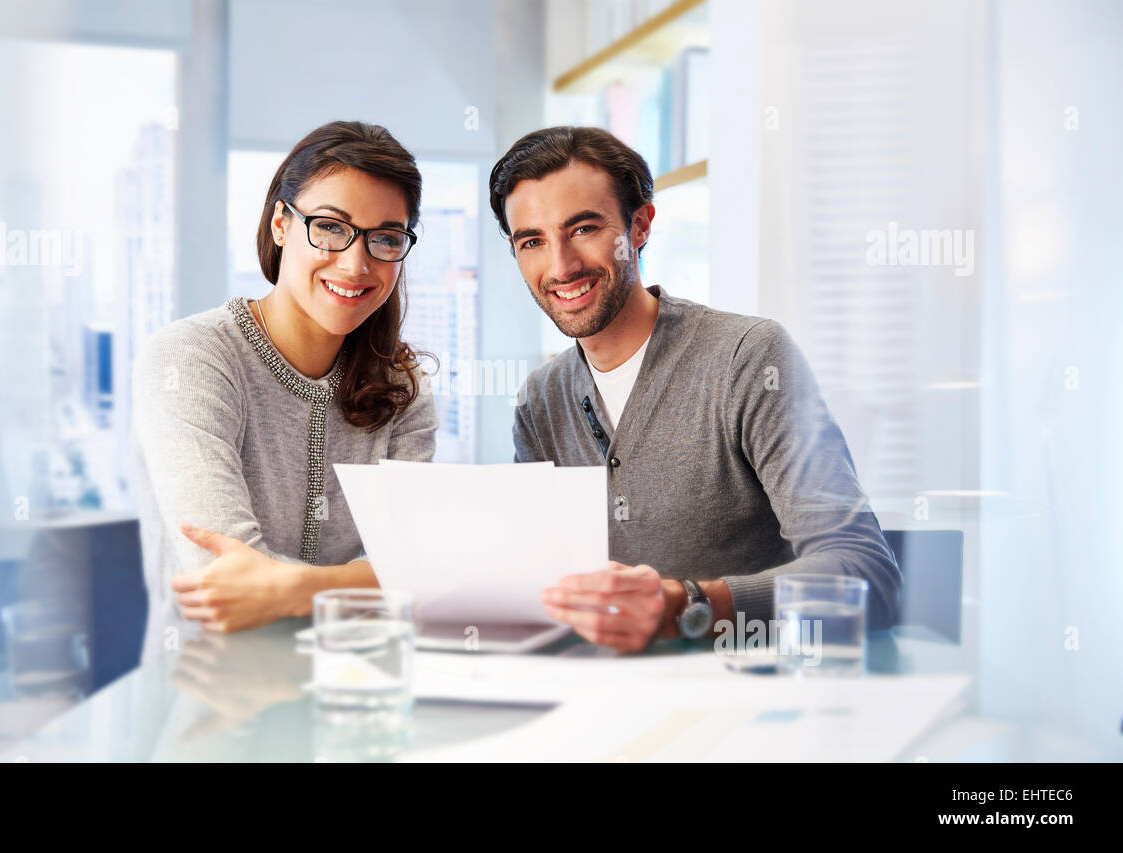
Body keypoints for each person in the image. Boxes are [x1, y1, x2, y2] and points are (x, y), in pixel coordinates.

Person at [490, 126, 902, 653]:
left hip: (748, 702)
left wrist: (686, 607)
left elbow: (866, 574)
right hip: (599, 704)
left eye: (584, 229)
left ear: (639, 225)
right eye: (532, 241)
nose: (560, 266)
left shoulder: (748, 357)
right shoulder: (540, 400)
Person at [131, 121, 437, 660]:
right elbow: (222, 578)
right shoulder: (193, 358)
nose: (355, 262)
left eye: (385, 237)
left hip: (358, 697)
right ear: (280, 224)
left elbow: (417, 567)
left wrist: (290, 591)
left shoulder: (401, 387)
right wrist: (372, 582)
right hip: (214, 696)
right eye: (330, 227)